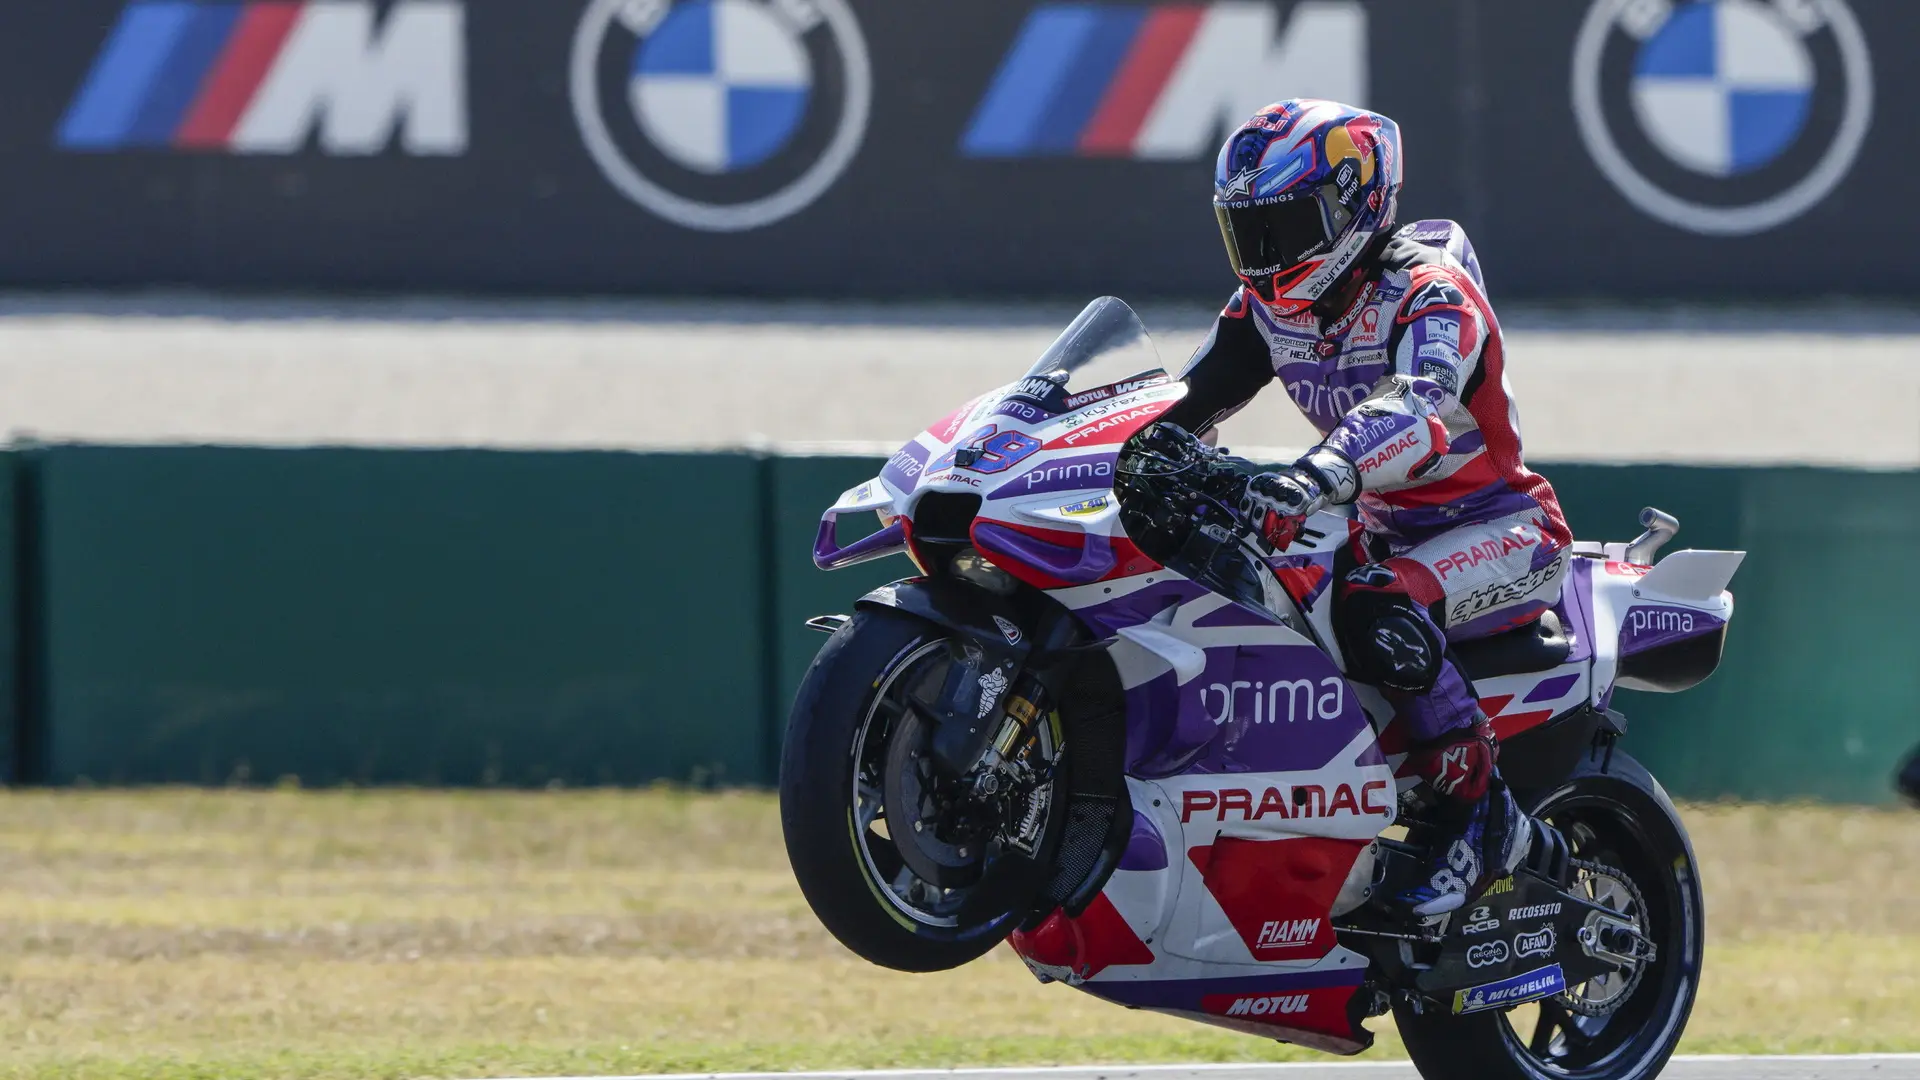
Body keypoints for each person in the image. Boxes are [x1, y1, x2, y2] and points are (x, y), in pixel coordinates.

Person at [1160, 99, 1571, 919]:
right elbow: (1185, 400)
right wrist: (1127, 454)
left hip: (1503, 529)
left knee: (1376, 602)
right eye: (1249, 233)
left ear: (1356, 205)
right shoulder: (1267, 310)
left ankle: (1481, 820)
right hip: (1378, 524)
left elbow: (1417, 405)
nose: (1265, 256)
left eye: (1286, 225)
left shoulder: (1430, 294)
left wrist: (1318, 472)